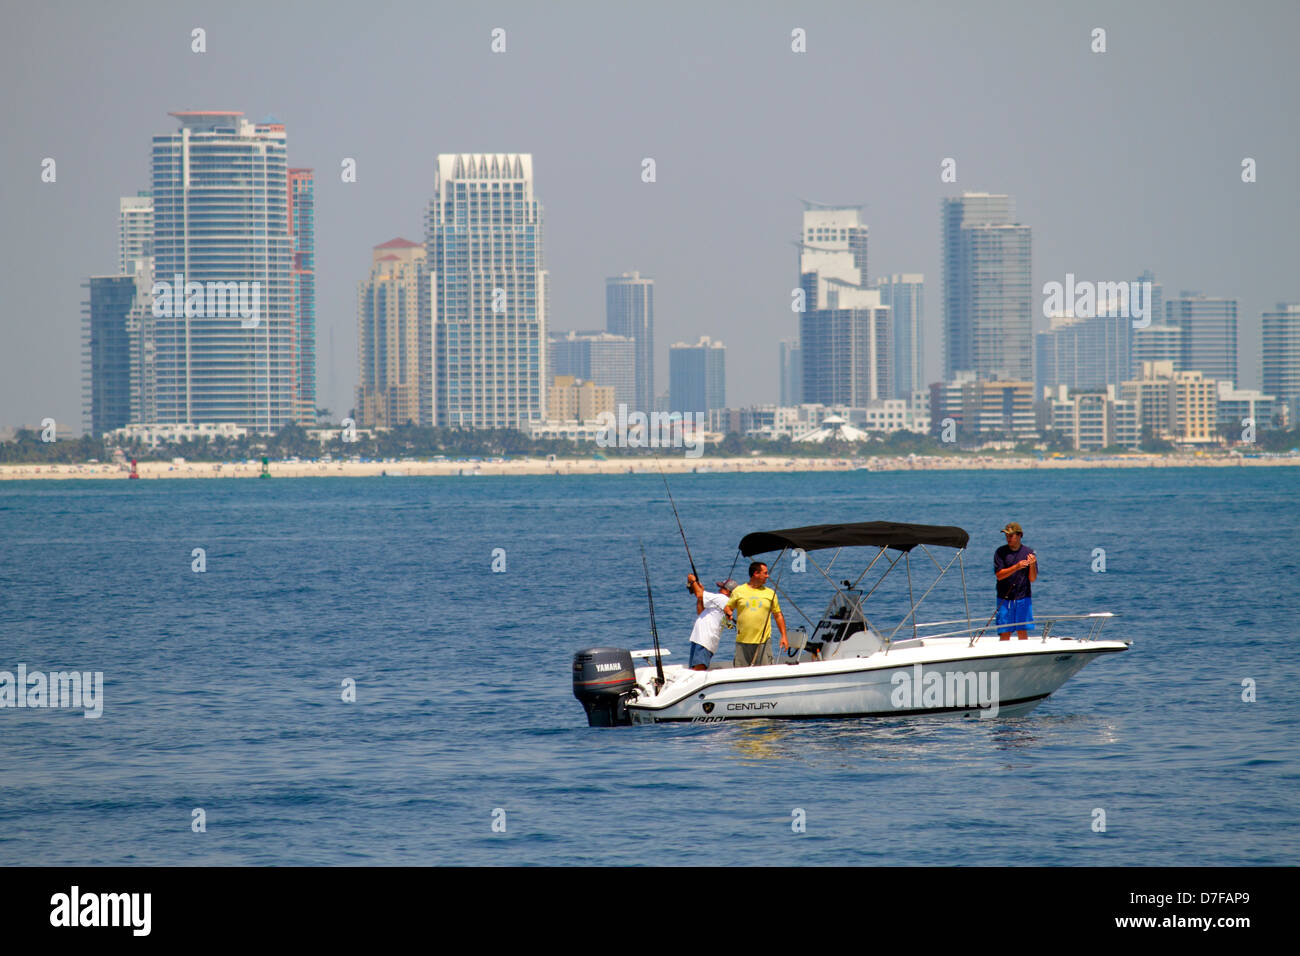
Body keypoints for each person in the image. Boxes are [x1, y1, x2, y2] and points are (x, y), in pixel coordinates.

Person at [726, 561, 788, 666]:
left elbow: (778, 615)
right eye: (765, 573)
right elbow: (728, 607)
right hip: (742, 642)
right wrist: (728, 613)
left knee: (765, 674)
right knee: (741, 674)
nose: (767, 576)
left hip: (763, 643)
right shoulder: (738, 591)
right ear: (756, 573)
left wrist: (784, 636)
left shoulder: (770, 593)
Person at [993, 521, 1038, 640]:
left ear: (1019, 535)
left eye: (1011, 535)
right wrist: (1016, 567)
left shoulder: (1028, 552)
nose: (1008, 538)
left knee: (1022, 631)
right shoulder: (1000, 552)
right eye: (1006, 535)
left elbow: (1032, 578)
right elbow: (999, 575)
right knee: (1005, 632)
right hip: (1004, 598)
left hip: (1023, 597)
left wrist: (1032, 565)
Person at [686, 574, 735, 670]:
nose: (719, 590)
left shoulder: (723, 599)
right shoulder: (722, 601)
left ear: (728, 591)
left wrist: (693, 581)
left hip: (705, 639)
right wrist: (700, 591)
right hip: (700, 638)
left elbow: (699, 595)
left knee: (698, 668)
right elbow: (700, 611)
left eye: (722, 588)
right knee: (694, 668)